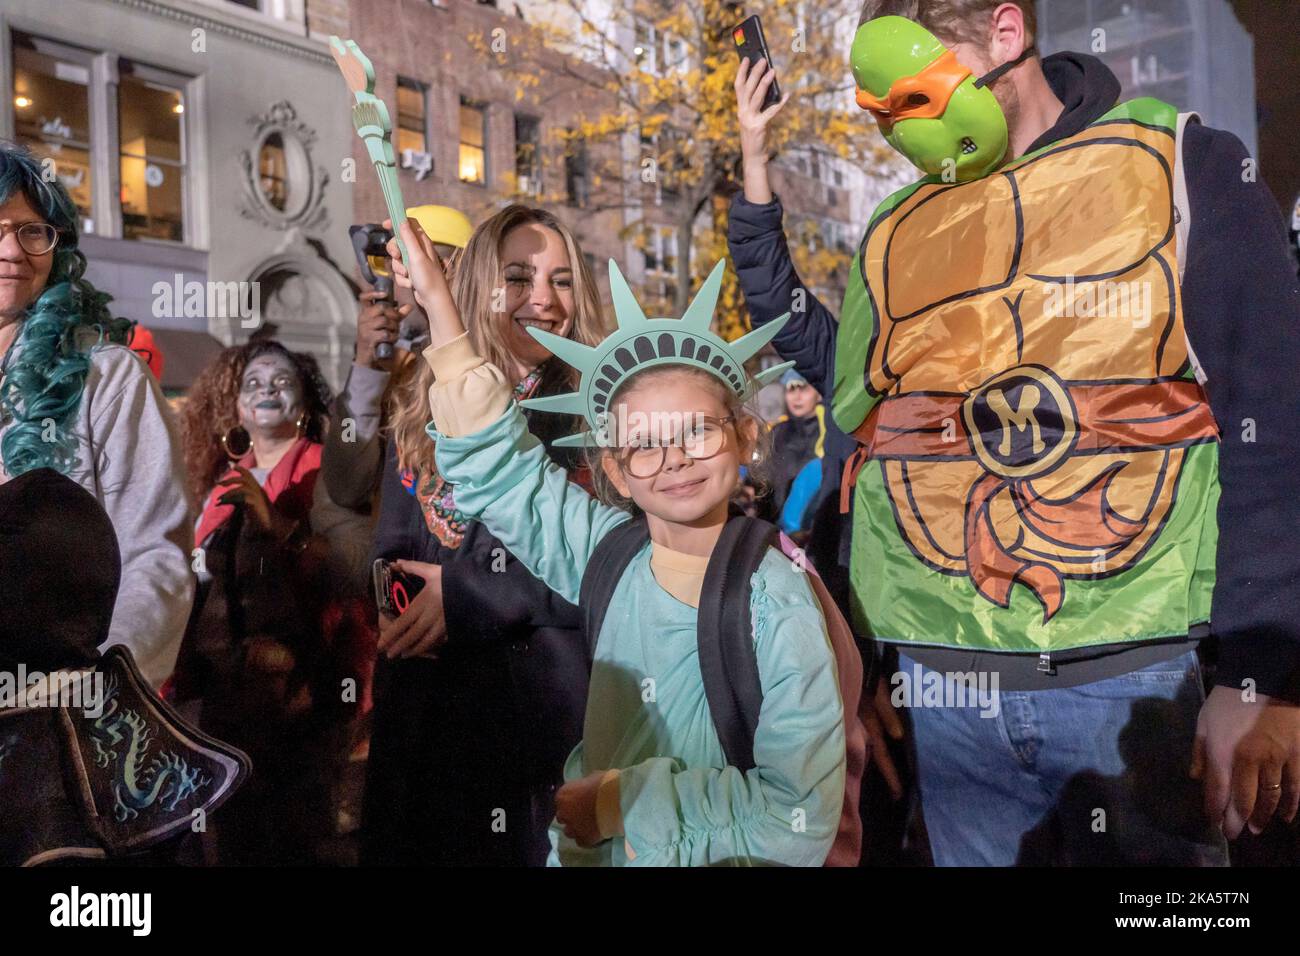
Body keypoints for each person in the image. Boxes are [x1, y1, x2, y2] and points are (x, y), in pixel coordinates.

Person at [823, 1, 1300, 864]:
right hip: (948, 686)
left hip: (1140, 686)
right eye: (883, 113)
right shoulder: (893, 231)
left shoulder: (1180, 164)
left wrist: (1263, 675)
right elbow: (859, 445)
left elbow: (1273, 421)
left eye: (918, 99)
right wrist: (856, 662)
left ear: (1007, 36)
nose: (904, 133)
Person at [393, 204, 864, 864]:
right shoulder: (607, 555)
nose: (671, 458)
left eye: (695, 431)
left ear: (745, 437)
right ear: (612, 465)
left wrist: (621, 804)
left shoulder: (776, 603)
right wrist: (443, 310)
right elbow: (501, 470)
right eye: (642, 445)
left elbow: (797, 817)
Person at [361, 204, 606, 866]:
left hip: (535, 728)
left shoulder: (602, 414)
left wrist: (469, 594)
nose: (542, 301)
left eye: (561, 281)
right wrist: (398, 593)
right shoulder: (423, 395)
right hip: (424, 714)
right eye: (519, 277)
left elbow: (618, 568)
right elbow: (392, 535)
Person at [0, 143, 192, 688]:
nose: (12, 250)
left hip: (56, 714)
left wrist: (104, 681)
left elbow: (156, 555)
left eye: (31, 231)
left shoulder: (107, 377)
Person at [173, 338, 369, 864]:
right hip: (222, 696)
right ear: (236, 407)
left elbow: (347, 571)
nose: (266, 392)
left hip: (302, 695)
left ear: (304, 408)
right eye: (253, 385)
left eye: (281, 383)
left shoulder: (326, 469)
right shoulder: (220, 484)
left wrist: (277, 524)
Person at [765, 369, 827, 535]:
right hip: (775, 529)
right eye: (791, 389)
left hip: (812, 532)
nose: (797, 397)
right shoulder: (777, 431)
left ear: (819, 394)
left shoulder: (829, 431)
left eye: (804, 389)